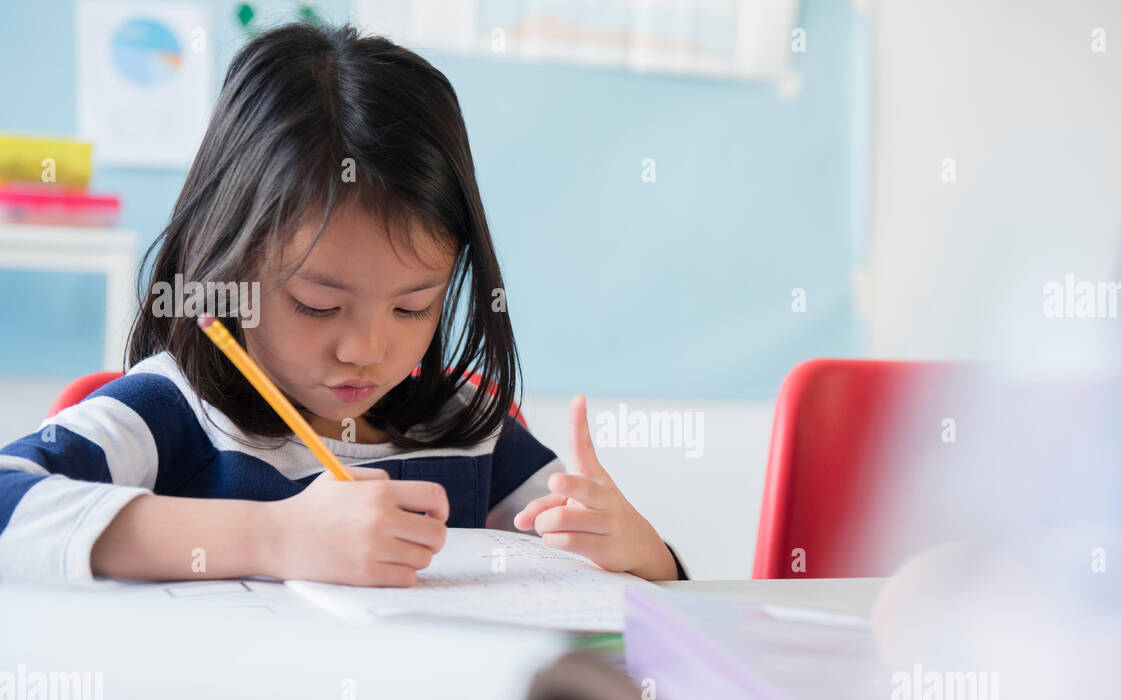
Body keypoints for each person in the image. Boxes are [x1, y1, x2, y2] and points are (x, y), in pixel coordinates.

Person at [0, 23, 687, 587]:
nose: (366, 349)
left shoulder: (465, 432)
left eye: (413, 308)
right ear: (227, 266)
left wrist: (637, 549)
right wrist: (274, 538)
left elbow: (643, 586)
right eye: (318, 305)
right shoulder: (175, 415)